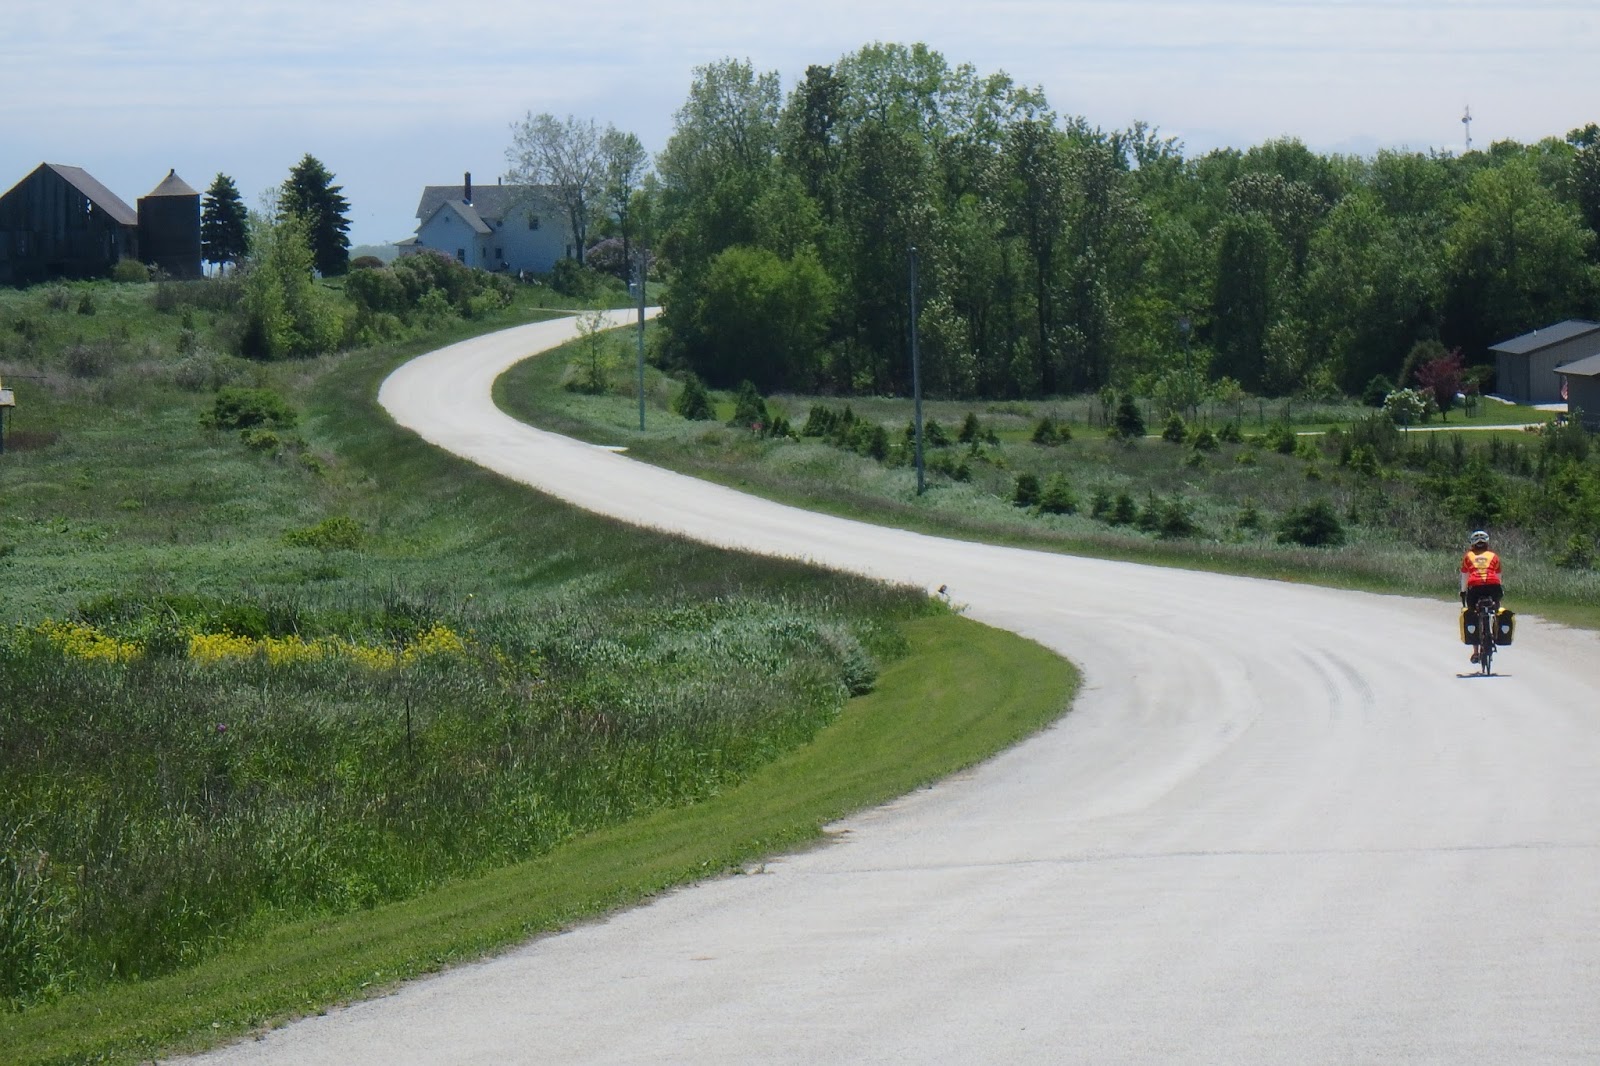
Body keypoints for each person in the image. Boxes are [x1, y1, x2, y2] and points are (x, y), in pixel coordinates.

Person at [1460, 529, 1504, 664]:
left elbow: (1464, 577)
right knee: (1496, 608)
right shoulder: (1494, 556)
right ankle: (1495, 631)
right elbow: (1498, 576)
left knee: (1473, 613)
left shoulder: (1468, 556)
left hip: (1475, 587)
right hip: (1493, 586)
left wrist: (1463, 591)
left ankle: (1476, 652)